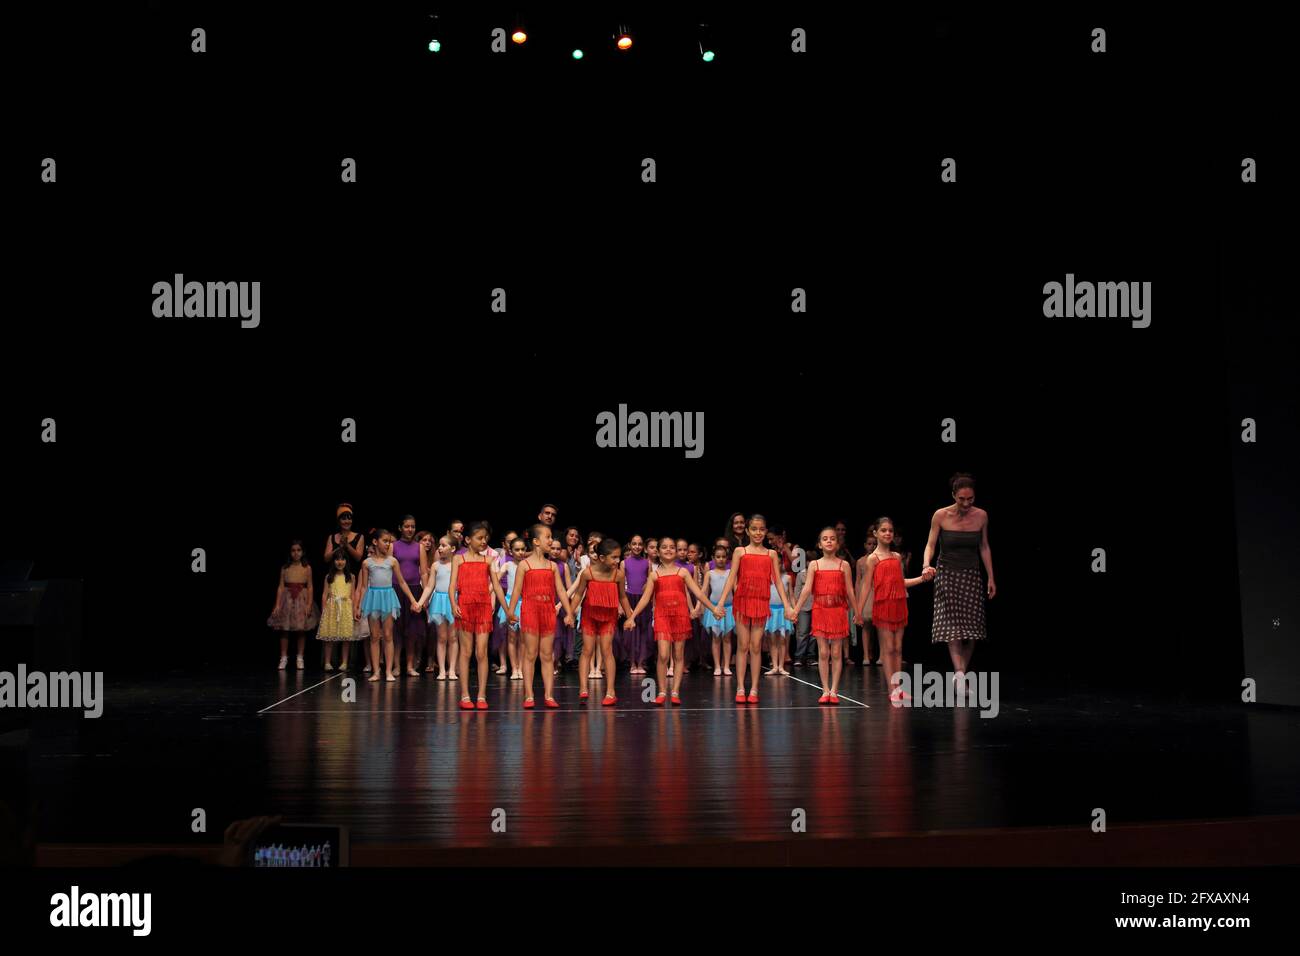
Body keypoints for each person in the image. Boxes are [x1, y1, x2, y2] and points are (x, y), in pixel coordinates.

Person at [923, 473, 995, 692]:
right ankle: (960, 675)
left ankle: (959, 675)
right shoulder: (940, 515)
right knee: (952, 627)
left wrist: (991, 576)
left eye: (970, 499)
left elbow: (984, 546)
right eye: (961, 499)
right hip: (947, 575)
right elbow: (930, 544)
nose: (966, 503)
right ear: (953, 495)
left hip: (971, 575)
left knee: (972, 630)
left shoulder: (981, 516)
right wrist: (926, 564)